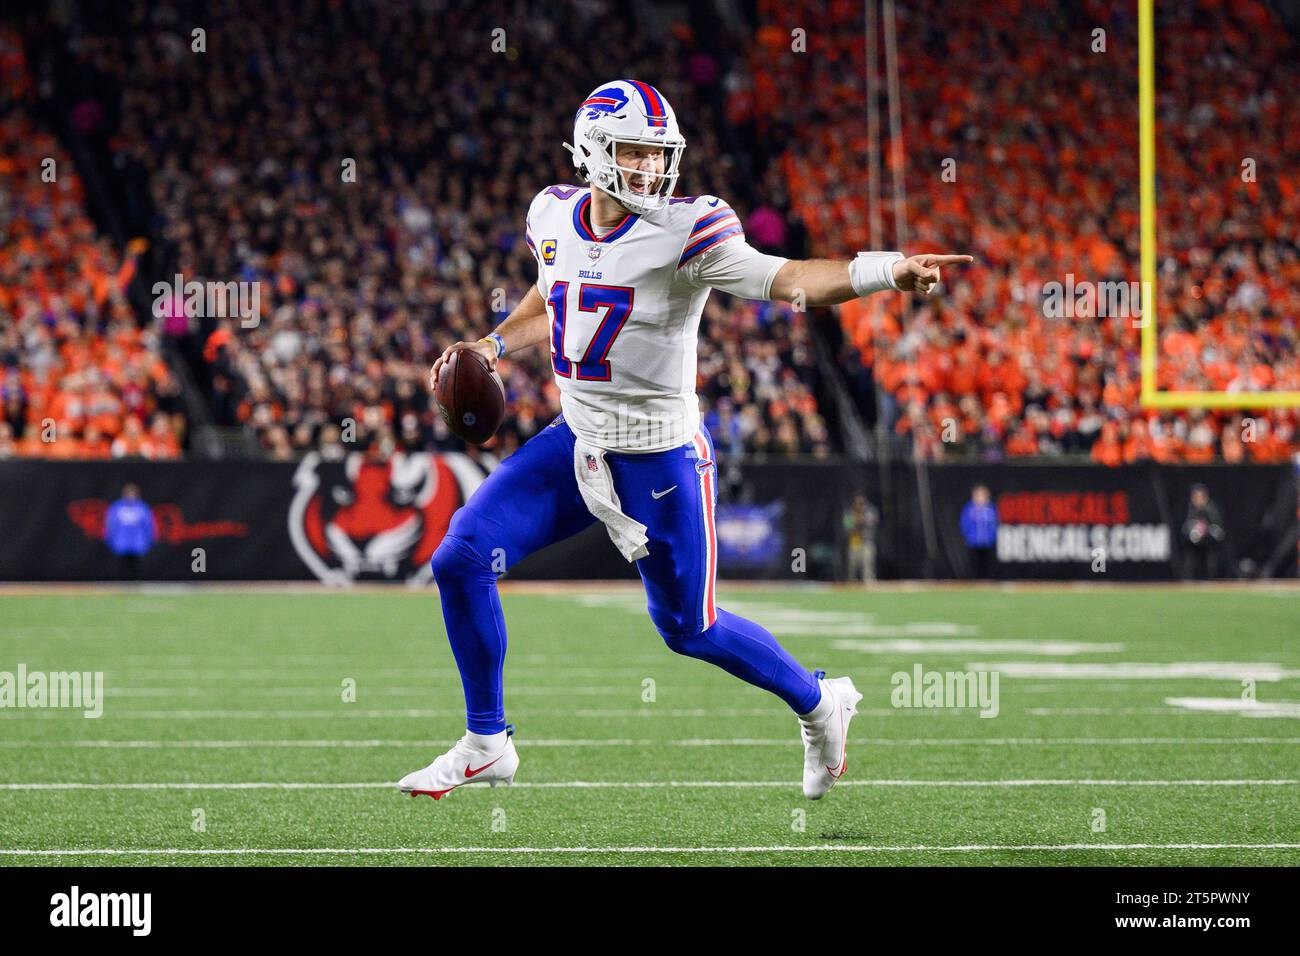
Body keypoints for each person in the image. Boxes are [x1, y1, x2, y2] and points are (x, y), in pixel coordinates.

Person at [400, 80, 972, 801]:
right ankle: (487, 742)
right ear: (592, 151)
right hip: (575, 439)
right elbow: (552, 291)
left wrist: (884, 270)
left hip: (657, 454)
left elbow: (789, 276)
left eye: (657, 154)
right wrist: (489, 345)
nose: (650, 170)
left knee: (687, 628)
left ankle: (820, 701)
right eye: (634, 153)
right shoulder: (551, 212)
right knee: (460, 556)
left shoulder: (687, 231)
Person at [104, 483, 155, 580]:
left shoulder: (142, 507)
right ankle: (122, 587)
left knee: (136, 566)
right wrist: (109, 538)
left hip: (137, 543)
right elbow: (110, 524)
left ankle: (136, 587)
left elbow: (149, 525)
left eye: (133, 493)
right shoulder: (117, 507)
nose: (130, 496)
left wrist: (150, 539)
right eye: (128, 493)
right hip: (121, 543)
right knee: (122, 566)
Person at [1181, 483, 1225, 579]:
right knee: (1190, 561)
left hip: (1209, 545)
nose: (1198, 500)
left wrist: (1206, 531)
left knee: (1211, 562)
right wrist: (1194, 533)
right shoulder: (1190, 509)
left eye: (1200, 497)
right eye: (1195, 497)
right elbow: (1185, 528)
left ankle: (1211, 580)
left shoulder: (1211, 509)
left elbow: (1219, 532)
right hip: (1194, 546)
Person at [959, 484, 998, 579]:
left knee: (987, 563)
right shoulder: (969, 508)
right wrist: (968, 536)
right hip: (973, 542)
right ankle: (974, 582)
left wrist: (992, 536)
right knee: (974, 563)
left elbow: (995, 524)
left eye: (983, 495)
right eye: (978, 495)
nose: (981, 498)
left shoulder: (991, 508)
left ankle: (987, 581)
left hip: (987, 542)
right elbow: (964, 523)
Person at [843, 494, 879, 582]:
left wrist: (861, 519)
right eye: (857, 502)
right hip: (855, 541)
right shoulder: (849, 512)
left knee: (867, 566)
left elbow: (872, 523)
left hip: (867, 541)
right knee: (852, 566)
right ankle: (852, 585)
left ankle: (869, 584)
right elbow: (847, 527)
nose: (859, 504)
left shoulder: (870, 511)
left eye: (861, 503)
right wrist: (856, 520)